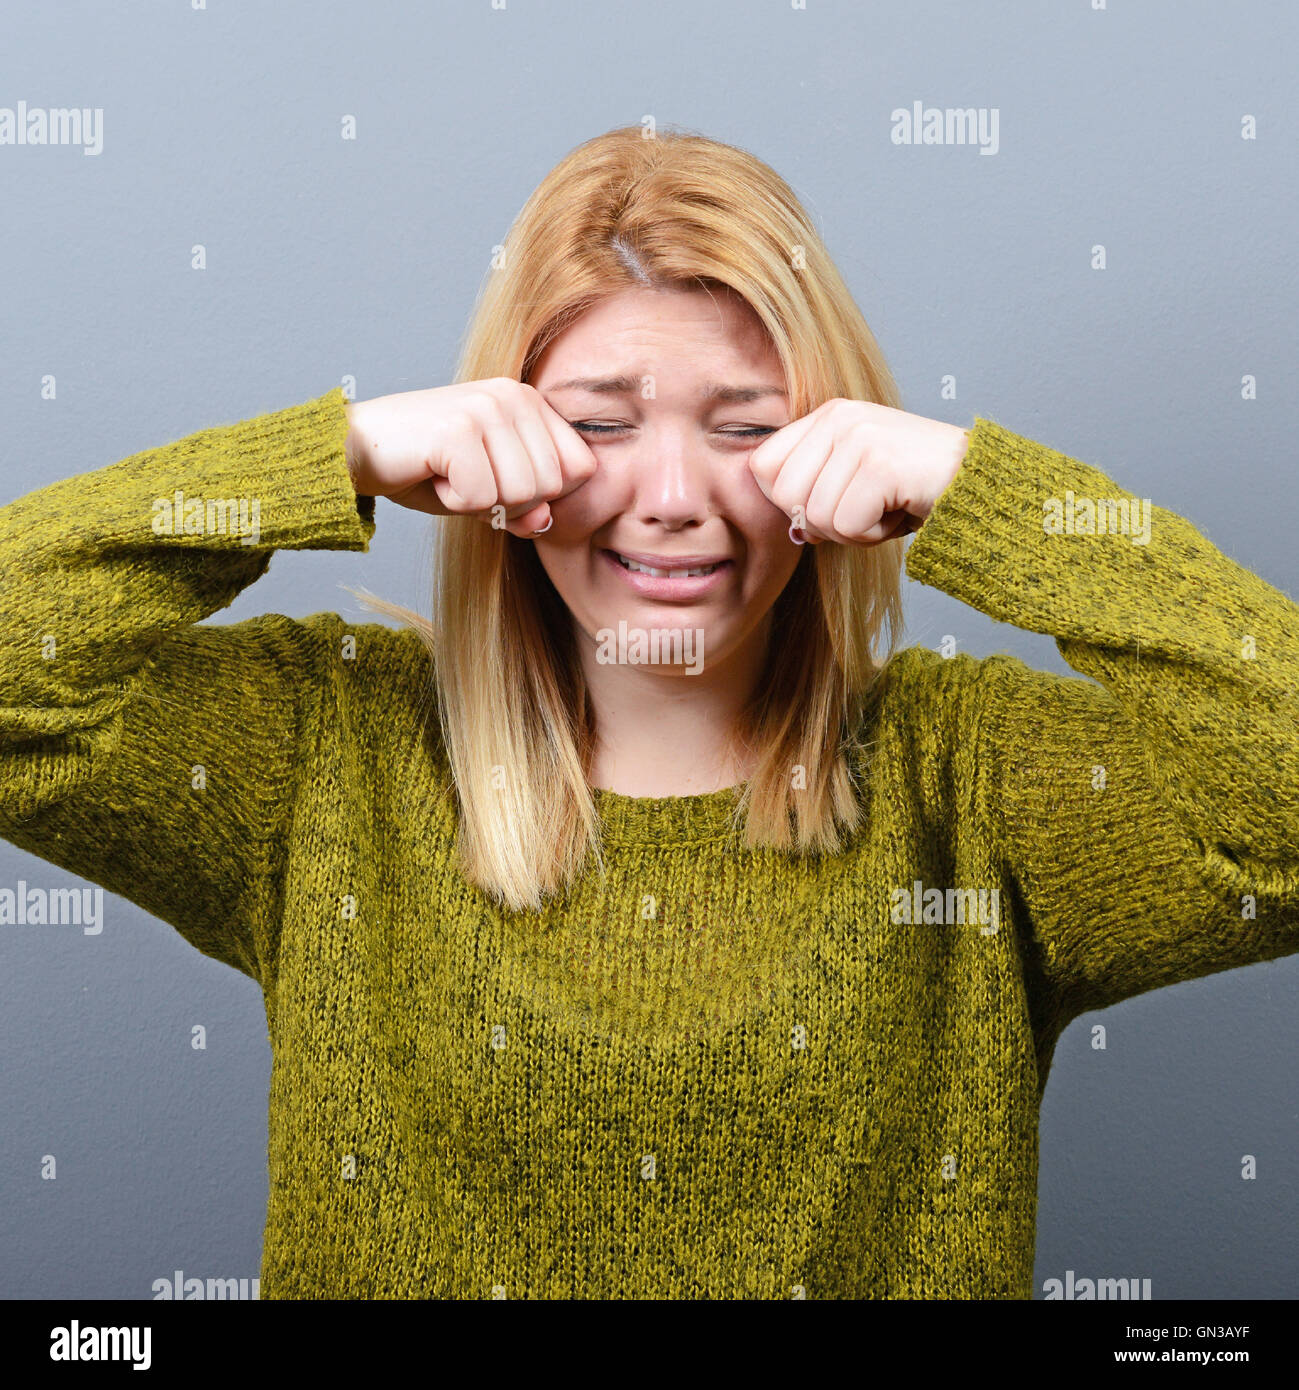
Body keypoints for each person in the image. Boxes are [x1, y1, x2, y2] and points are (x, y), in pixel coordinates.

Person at [2, 125, 1296, 1300]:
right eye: (599, 424)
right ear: (493, 437)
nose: (674, 494)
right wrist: (332, 452)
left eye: (747, 427)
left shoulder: (971, 782)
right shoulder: (324, 750)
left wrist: (988, 499)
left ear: (845, 446)